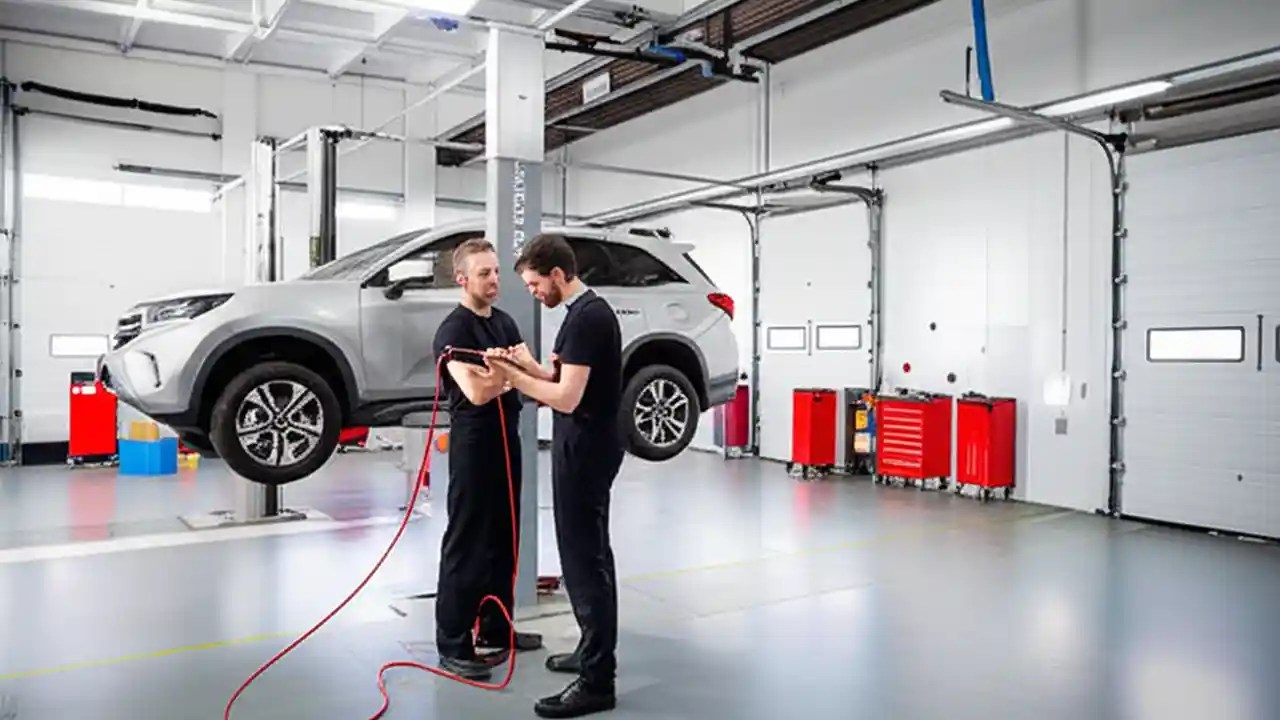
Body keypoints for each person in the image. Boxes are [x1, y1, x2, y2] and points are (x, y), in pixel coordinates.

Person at [486, 233, 623, 718]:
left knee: (585, 563)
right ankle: (591, 651)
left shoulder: (587, 320)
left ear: (560, 275)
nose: (533, 293)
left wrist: (510, 379)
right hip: (582, 442)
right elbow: (564, 380)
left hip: (586, 448)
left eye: (535, 283)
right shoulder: (581, 317)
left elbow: (567, 399)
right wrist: (524, 365)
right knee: (590, 555)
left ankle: (596, 682)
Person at [429, 237, 543, 681]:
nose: (495, 280)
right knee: (468, 540)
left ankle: (497, 627)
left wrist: (506, 373)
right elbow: (476, 391)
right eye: (484, 273)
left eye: (496, 271)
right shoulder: (453, 331)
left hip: (506, 439)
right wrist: (509, 375)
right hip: (474, 446)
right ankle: (454, 641)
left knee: (505, 535)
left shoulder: (506, 322)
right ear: (462, 279)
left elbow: (533, 373)